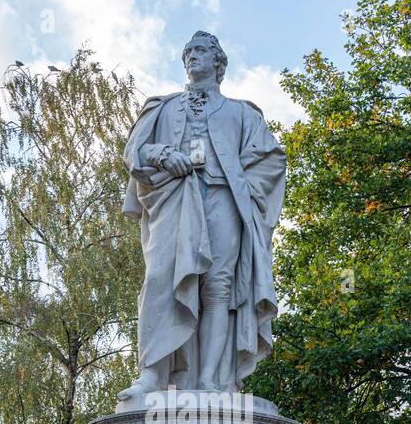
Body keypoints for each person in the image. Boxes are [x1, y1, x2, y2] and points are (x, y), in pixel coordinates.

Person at [118, 30, 286, 397]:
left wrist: (239, 183)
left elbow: (272, 160)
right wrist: (163, 155)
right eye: (187, 52)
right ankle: (152, 374)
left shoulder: (243, 113)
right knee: (161, 278)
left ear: (218, 62)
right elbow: (135, 152)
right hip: (174, 198)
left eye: (200, 51)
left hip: (223, 199)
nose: (192, 56)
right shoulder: (161, 106)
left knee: (219, 289)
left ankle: (212, 381)